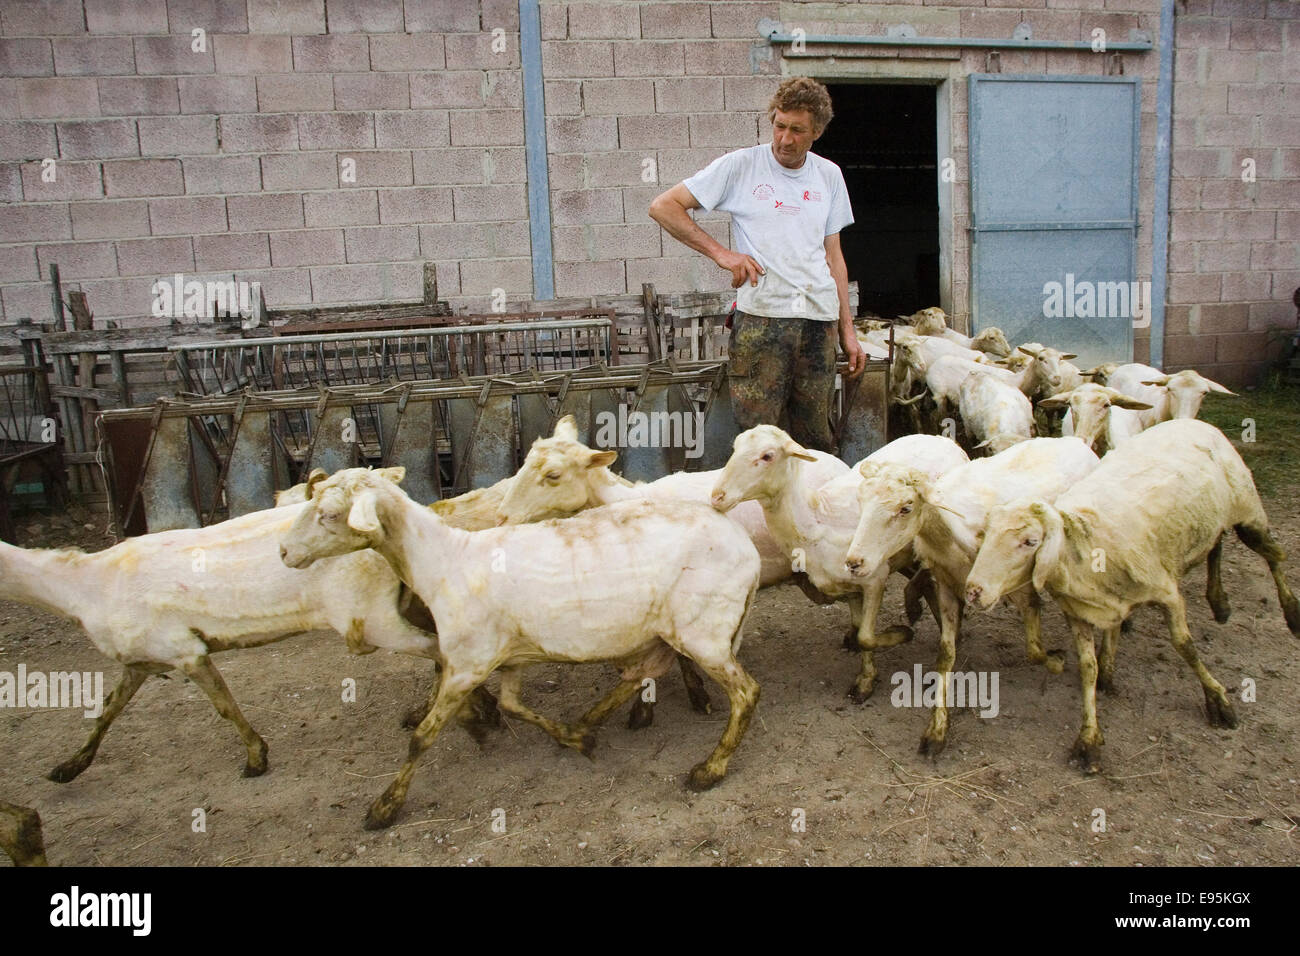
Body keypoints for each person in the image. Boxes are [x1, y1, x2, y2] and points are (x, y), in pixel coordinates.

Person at [649, 76, 866, 453]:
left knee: (814, 440)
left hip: (818, 323)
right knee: (759, 443)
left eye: (798, 130)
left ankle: (806, 510)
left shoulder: (828, 175)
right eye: (780, 125)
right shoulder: (741, 166)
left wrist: (848, 330)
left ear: (817, 131)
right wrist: (723, 254)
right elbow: (664, 206)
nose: (785, 138)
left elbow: (835, 256)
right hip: (762, 320)